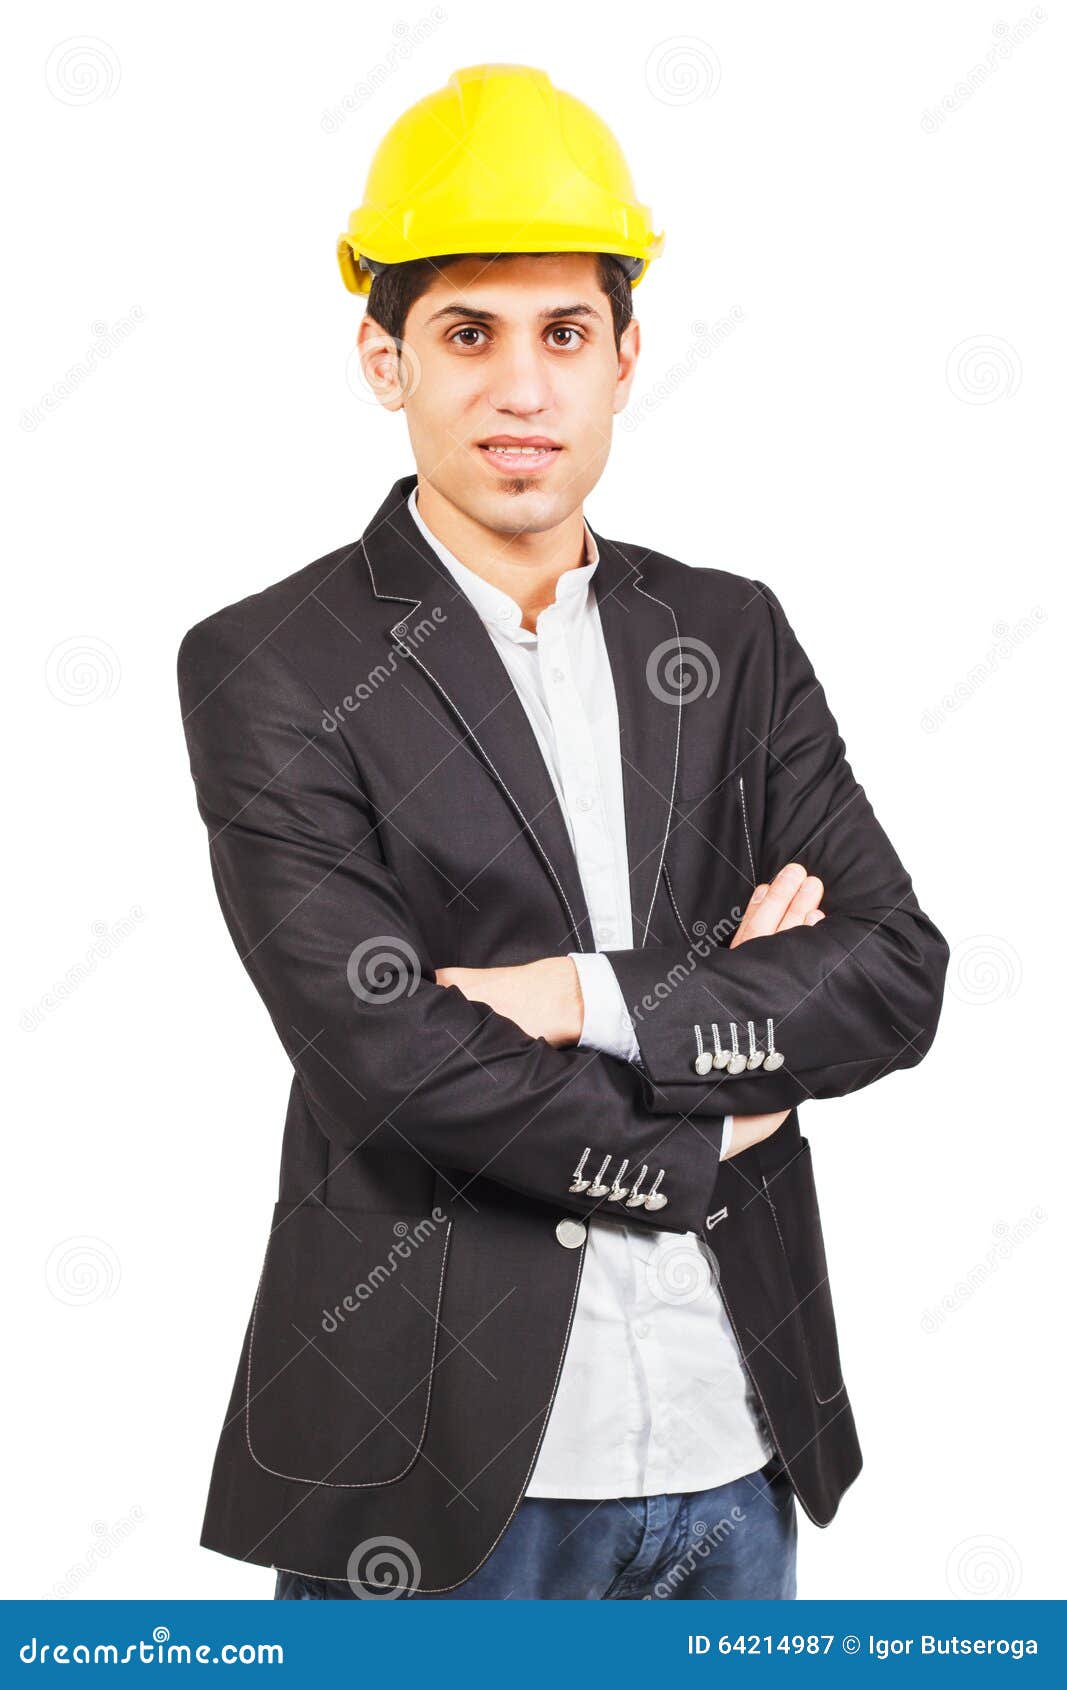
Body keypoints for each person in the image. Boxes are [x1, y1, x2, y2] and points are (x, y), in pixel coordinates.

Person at [176, 64, 948, 1600]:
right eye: (468, 332)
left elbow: (890, 975)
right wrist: (719, 1114)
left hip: (736, 1454)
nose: (522, 389)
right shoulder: (276, 667)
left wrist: (570, 997)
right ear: (383, 358)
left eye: (564, 334)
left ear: (626, 356)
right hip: (439, 1477)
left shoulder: (727, 636)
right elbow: (385, 1066)